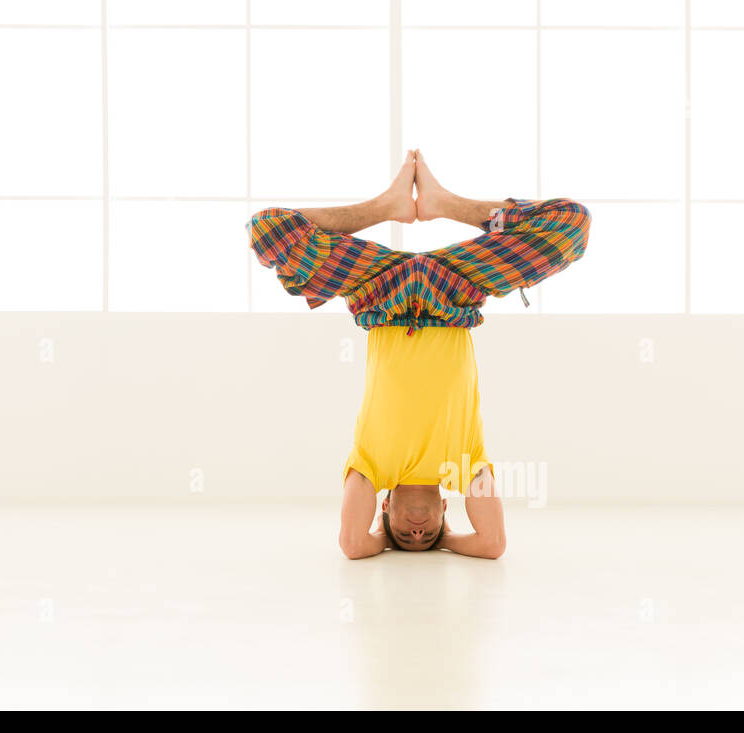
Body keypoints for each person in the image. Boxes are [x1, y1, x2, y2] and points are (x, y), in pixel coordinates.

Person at [246, 149, 591, 560]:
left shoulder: (373, 469)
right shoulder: (464, 467)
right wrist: (445, 542)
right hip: (456, 289)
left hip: (379, 290)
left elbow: (353, 545)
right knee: (572, 224)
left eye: (404, 536)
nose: (416, 533)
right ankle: (442, 203)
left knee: (266, 229)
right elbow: (492, 545)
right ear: (446, 509)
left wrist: (381, 541)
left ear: (384, 509)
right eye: (426, 536)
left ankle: (385, 206)